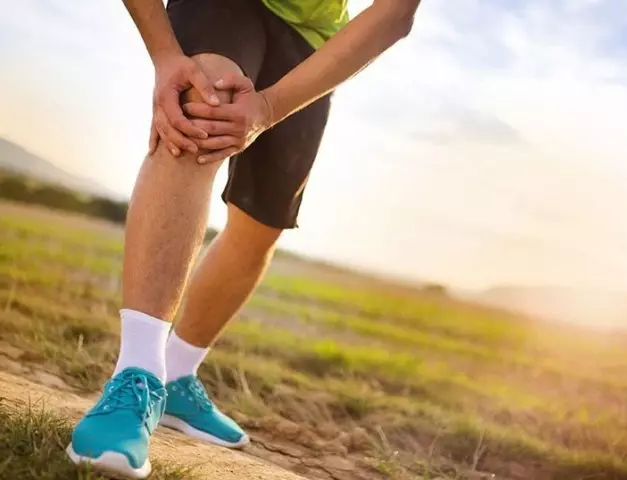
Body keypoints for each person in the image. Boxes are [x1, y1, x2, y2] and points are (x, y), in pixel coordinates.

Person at [66, 0, 421, 477]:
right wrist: (165, 54)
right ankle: (138, 377)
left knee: (263, 223)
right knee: (201, 114)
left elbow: (396, 13)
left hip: (312, 37)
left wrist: (270, 107)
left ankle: (177, 373)